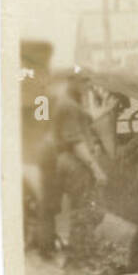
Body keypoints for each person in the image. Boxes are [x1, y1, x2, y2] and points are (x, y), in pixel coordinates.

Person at [37, 76, 108, 259]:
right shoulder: (69, 106)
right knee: (83, 209)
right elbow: (76, 142)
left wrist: (104, 110)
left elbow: (84, 123)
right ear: (73, 82)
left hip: (63, 160)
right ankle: (81, 256)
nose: (89, 85)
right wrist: (96, 169)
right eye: (85, 82)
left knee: (66, 209)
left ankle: (56, 249)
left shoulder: (68, 103)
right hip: (74, 163)